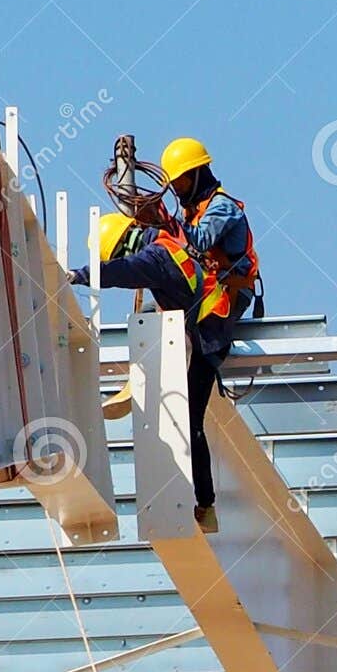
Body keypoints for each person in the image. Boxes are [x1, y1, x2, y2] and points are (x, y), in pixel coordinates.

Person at [72, 212, 228, 533]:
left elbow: (124, 271)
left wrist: (79, 275)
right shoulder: (165, 246)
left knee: (190, 421)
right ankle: (204, 504)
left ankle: (206, 504)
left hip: (210, 335)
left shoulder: (155, 257)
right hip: (209, 323)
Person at [160, 137, 259, 325]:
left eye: (179, 181)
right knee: (151, 315)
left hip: (231, 291)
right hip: (207, 289)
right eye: (173, 183)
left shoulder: (223, 207)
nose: (176, 188)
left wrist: (162, 220)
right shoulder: (190, 212)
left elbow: (200, 240)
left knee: (187, 329)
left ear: (196, 174)